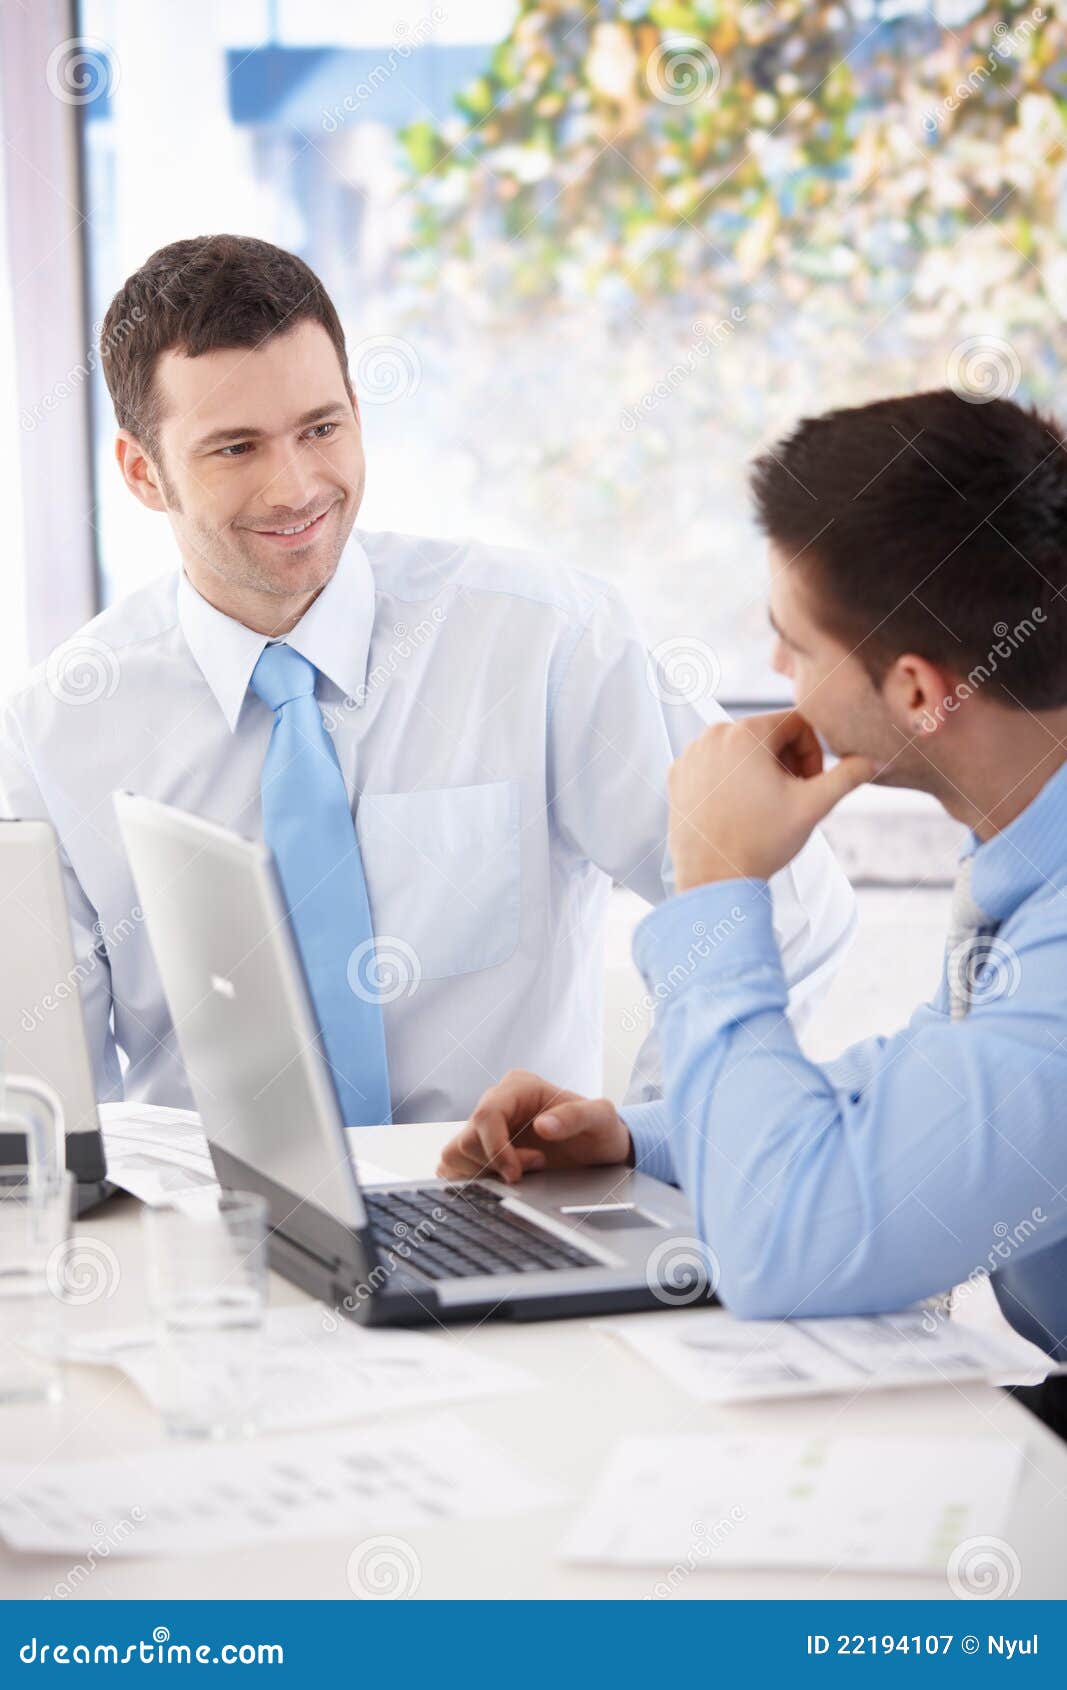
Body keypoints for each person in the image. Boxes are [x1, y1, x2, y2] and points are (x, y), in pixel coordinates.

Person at [0, 234, 853, 1126]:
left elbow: (785, 900)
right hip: (214, 1208)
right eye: (236, 448)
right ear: (143, 472)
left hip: (508, 1199)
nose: (296, 487)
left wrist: (647, 1140)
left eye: (320, 429)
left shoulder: (544, 640)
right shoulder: (52, 735)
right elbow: (44, 1101)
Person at [438, 388, 1067, 1388]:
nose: (775, 666)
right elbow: (922, 1095)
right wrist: (636, 1138)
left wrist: (715, 879)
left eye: (795, 645)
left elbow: (788, 1245)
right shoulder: (1028, 855)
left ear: (914, 690)